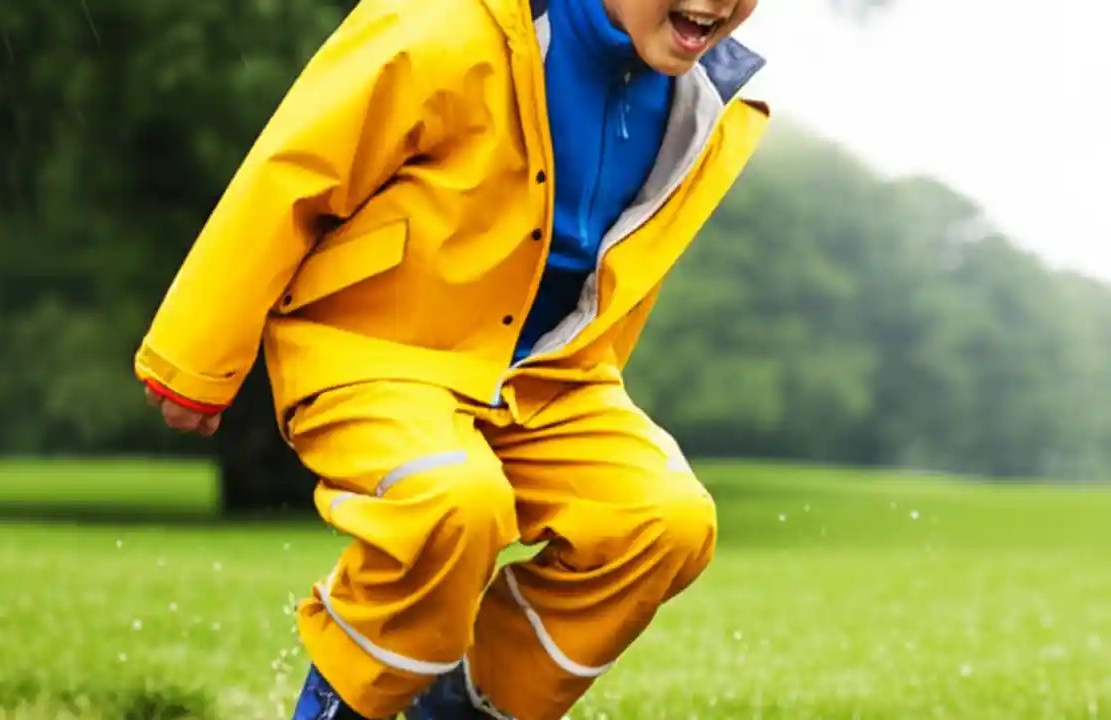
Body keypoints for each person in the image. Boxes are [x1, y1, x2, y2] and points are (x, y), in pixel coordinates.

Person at [136, 0, 767, 717]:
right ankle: (341, 705)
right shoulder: (443, 24)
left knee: (667, 521)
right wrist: (195, 355)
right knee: (454, 501)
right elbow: (293, 169)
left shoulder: (704, 102)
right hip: (377, 349)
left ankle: (462, 702)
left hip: (547, 383)